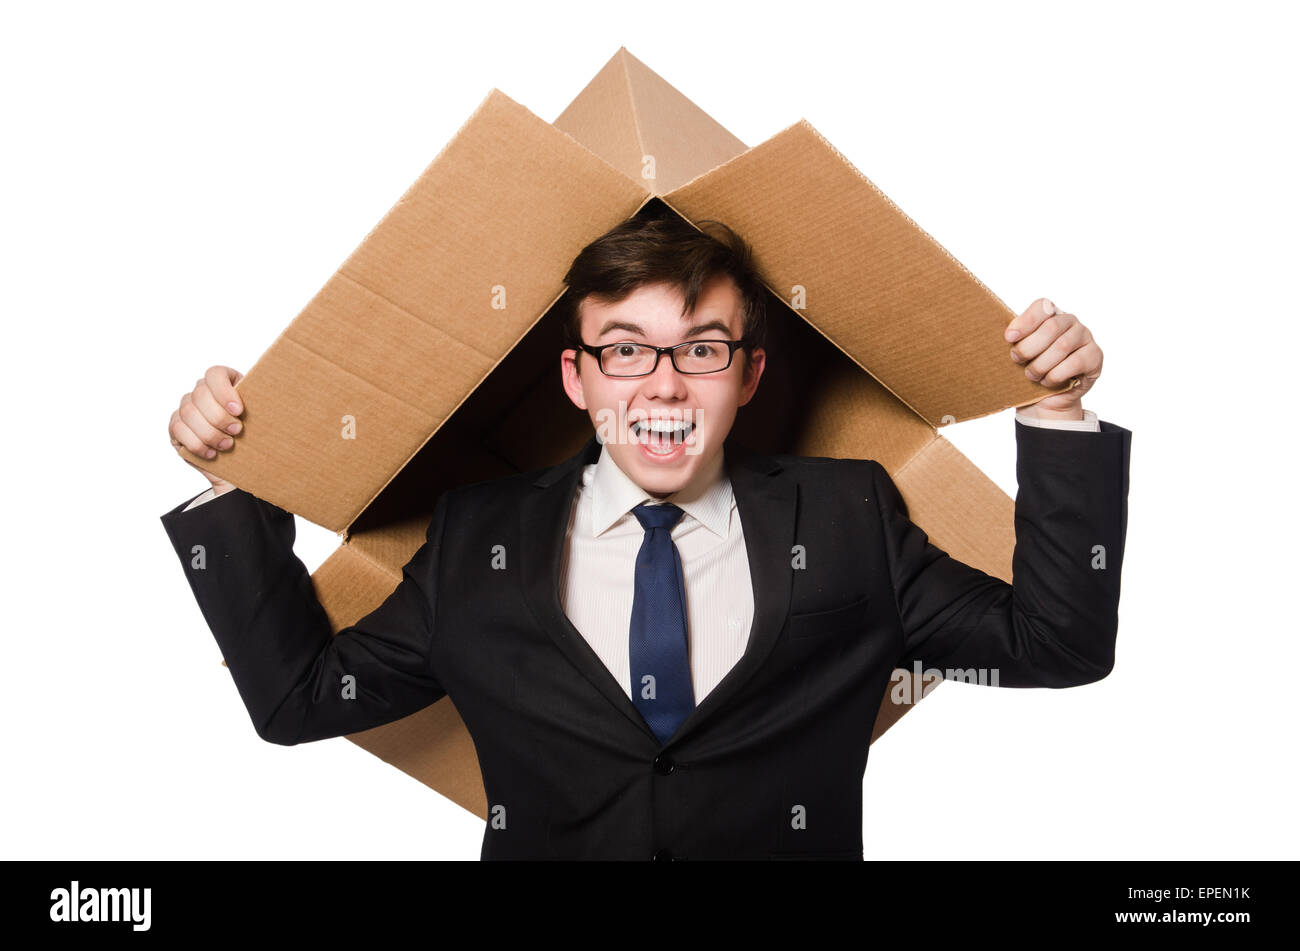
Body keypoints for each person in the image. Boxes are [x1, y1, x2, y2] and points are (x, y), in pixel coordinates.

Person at [162, 214, 1131, 860]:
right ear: (577, 378)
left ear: (746, 376)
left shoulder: (846, 513)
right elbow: (299, 700)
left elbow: (1054, 646)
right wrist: (231, 487)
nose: (661, 384)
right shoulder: (476, 536)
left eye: (699, 349)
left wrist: (1056, 414)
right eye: (624, 349)